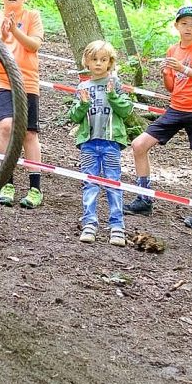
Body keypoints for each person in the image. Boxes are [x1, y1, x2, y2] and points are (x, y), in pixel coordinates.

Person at [125, 5, 192, 217]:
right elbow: (171, 86)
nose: (188, 28)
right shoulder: (172, 50)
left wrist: (183, 68)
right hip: (176, 107)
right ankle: (143, 198)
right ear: (176, 25)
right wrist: (166, 73)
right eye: (184, 24)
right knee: (139, 145)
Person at [68, 41, 133, 246]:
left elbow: (126, 111)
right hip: (88, 142)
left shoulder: (115, 84)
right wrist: (83, 103)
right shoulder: (82, 87)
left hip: (111, 142)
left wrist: (113, 96)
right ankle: (89, 223)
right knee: (90, 183)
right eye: (94, 59)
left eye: (103, 60)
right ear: (86, 61)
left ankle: (117, 227)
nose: (98, 64)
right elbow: (74, 116)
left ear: (110, 63)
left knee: (113, 183)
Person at [0, 0, 44, 209]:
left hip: (27, 80)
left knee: (29, 133)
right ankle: (6, 182)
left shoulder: (32, 15)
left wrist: (15, 31)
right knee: (6, 126)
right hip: (1, 78)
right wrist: (2, 33)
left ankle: (35, 188)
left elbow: (34, 45)